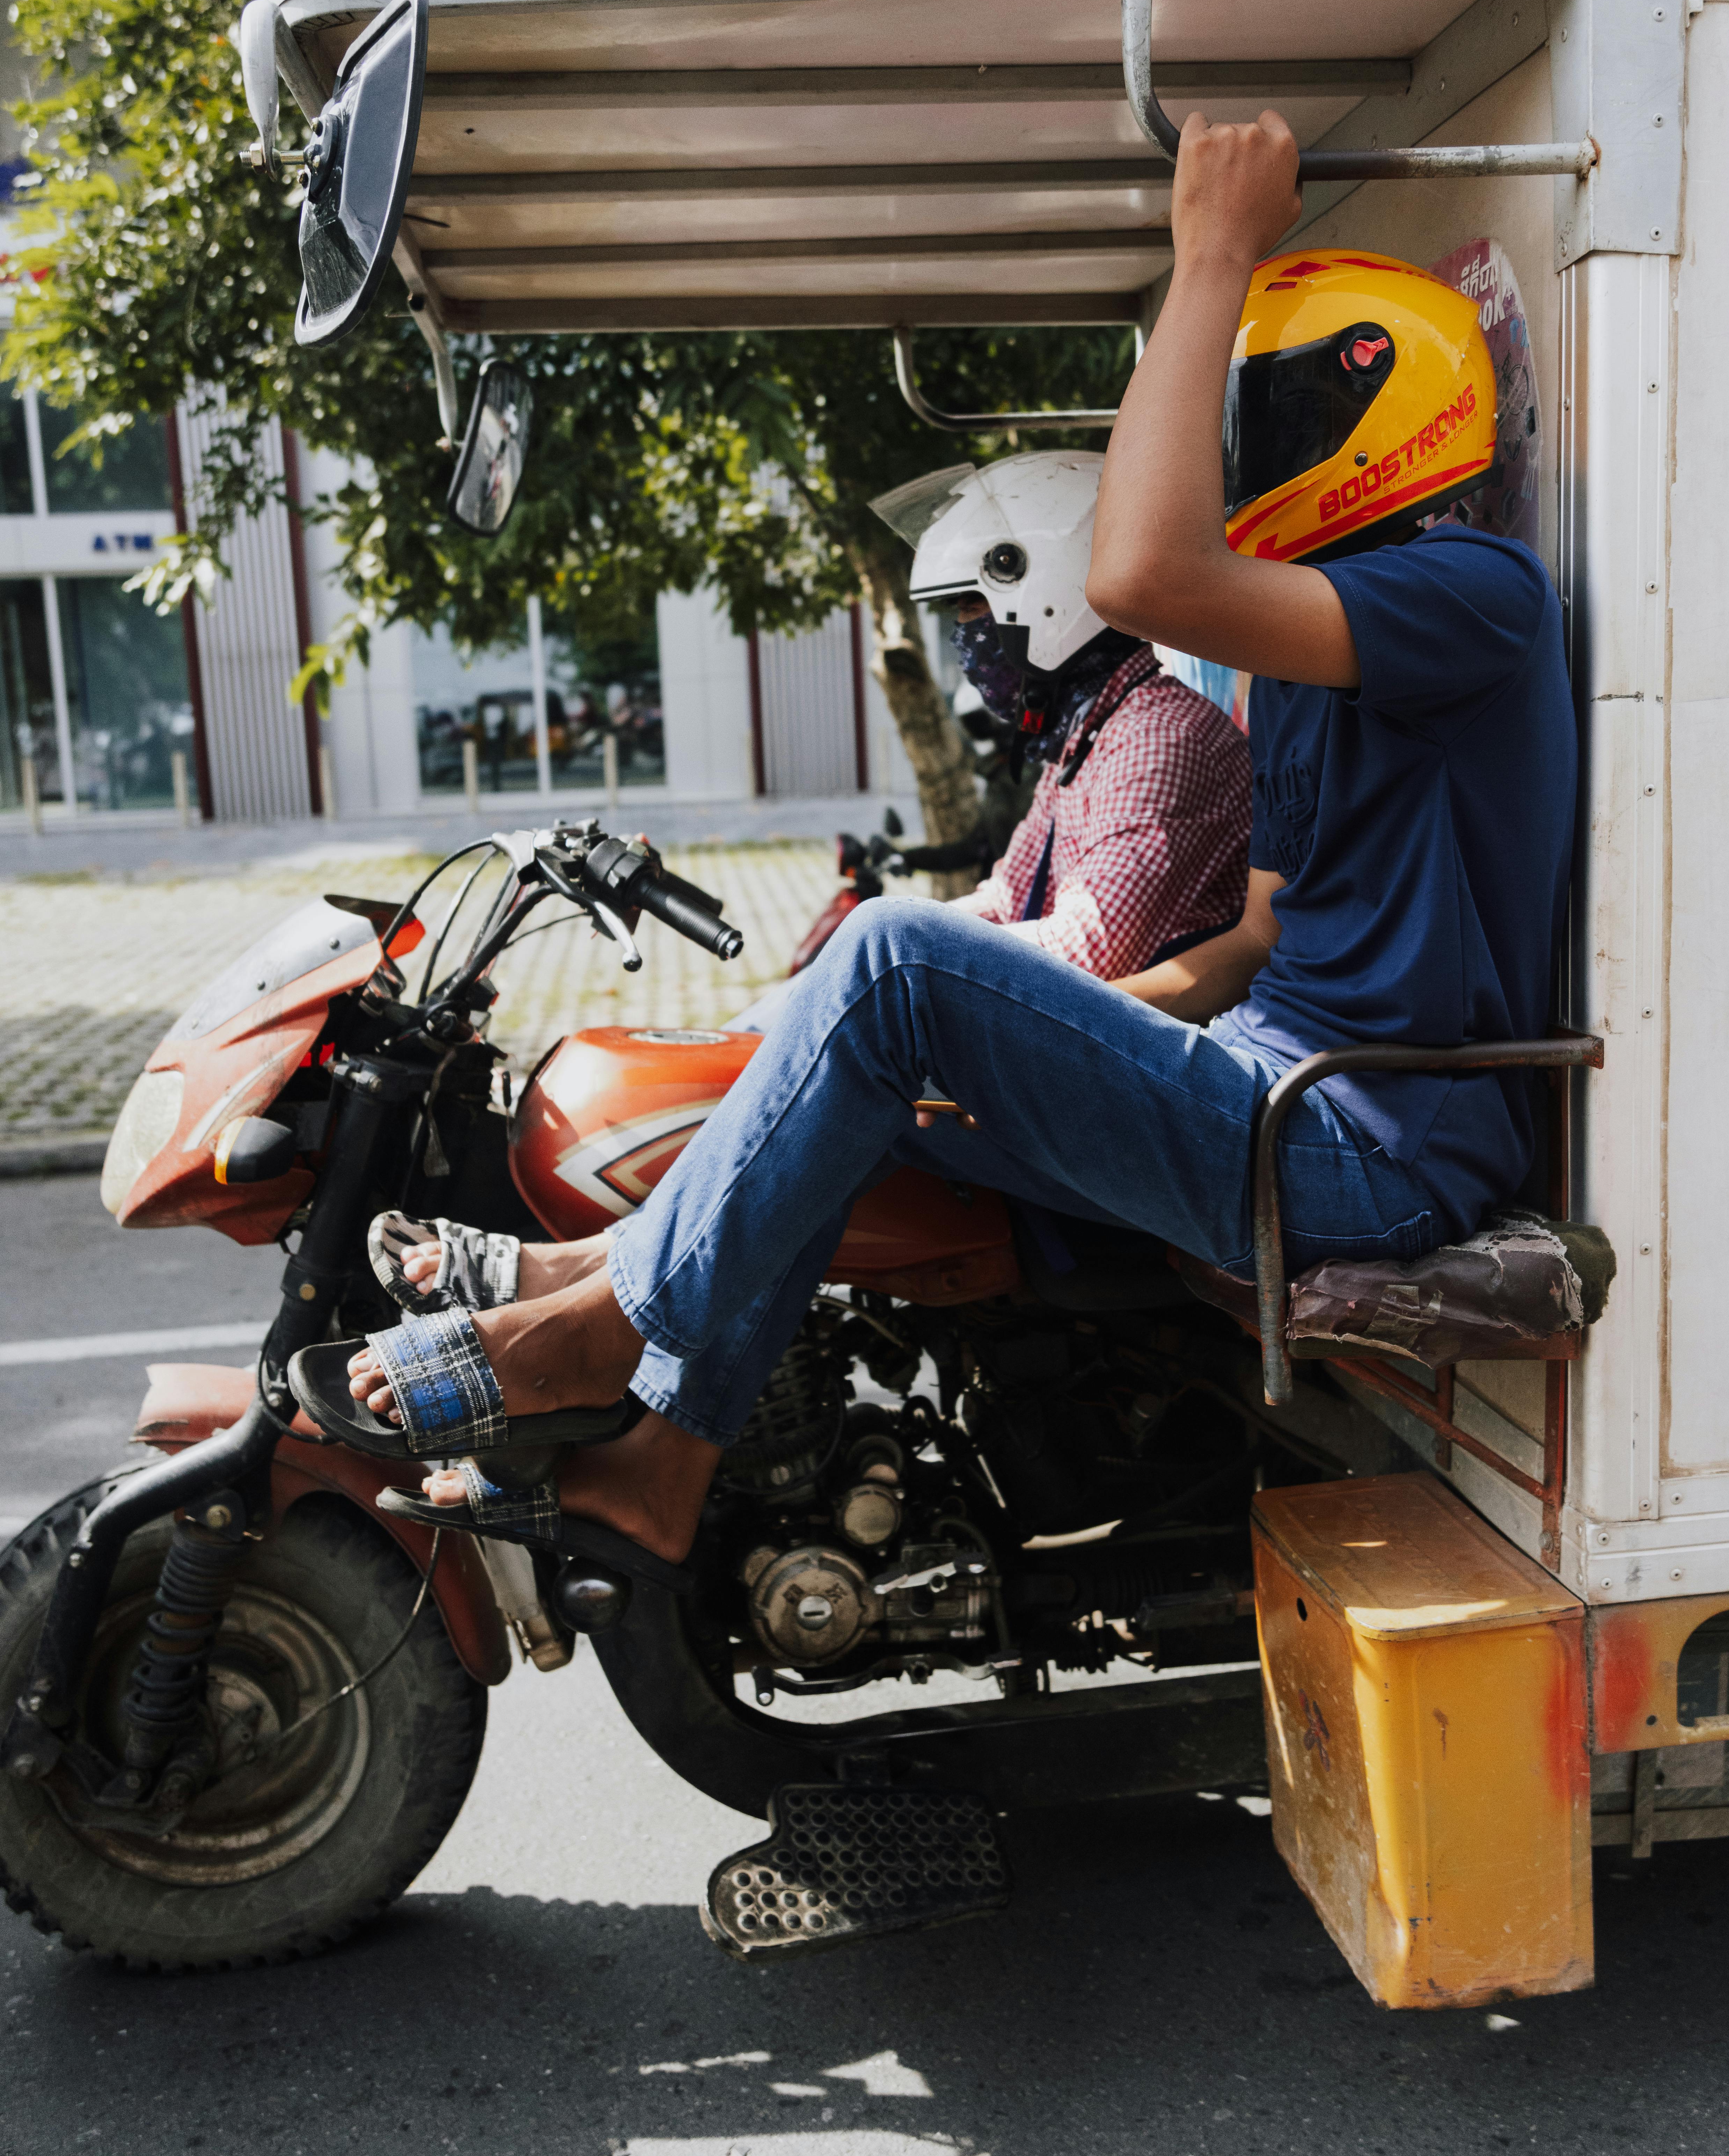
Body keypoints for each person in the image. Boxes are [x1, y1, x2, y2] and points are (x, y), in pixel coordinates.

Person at [315, 109, 1576, 1585]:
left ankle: (605, 1318)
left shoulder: (1468, 593)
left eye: (1263, 425)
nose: (1232, 469)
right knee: (865, 1074)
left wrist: (1214, 251)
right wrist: (1066, 1029)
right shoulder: (1308, 655)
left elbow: (1138, 568)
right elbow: (1255, 943)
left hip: (1369, 1148)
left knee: (890, 962)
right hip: (1272, 1093)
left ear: (1384, 412)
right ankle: (661, 1458)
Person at [890, 448, 1252, 980]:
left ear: (1047, 595)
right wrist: (890, 935)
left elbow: (1086, 956)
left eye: (972, 606)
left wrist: (912, 953)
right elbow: (1009, 896)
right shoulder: (1089, 733)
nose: (964, 635)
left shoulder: (1159, 739)